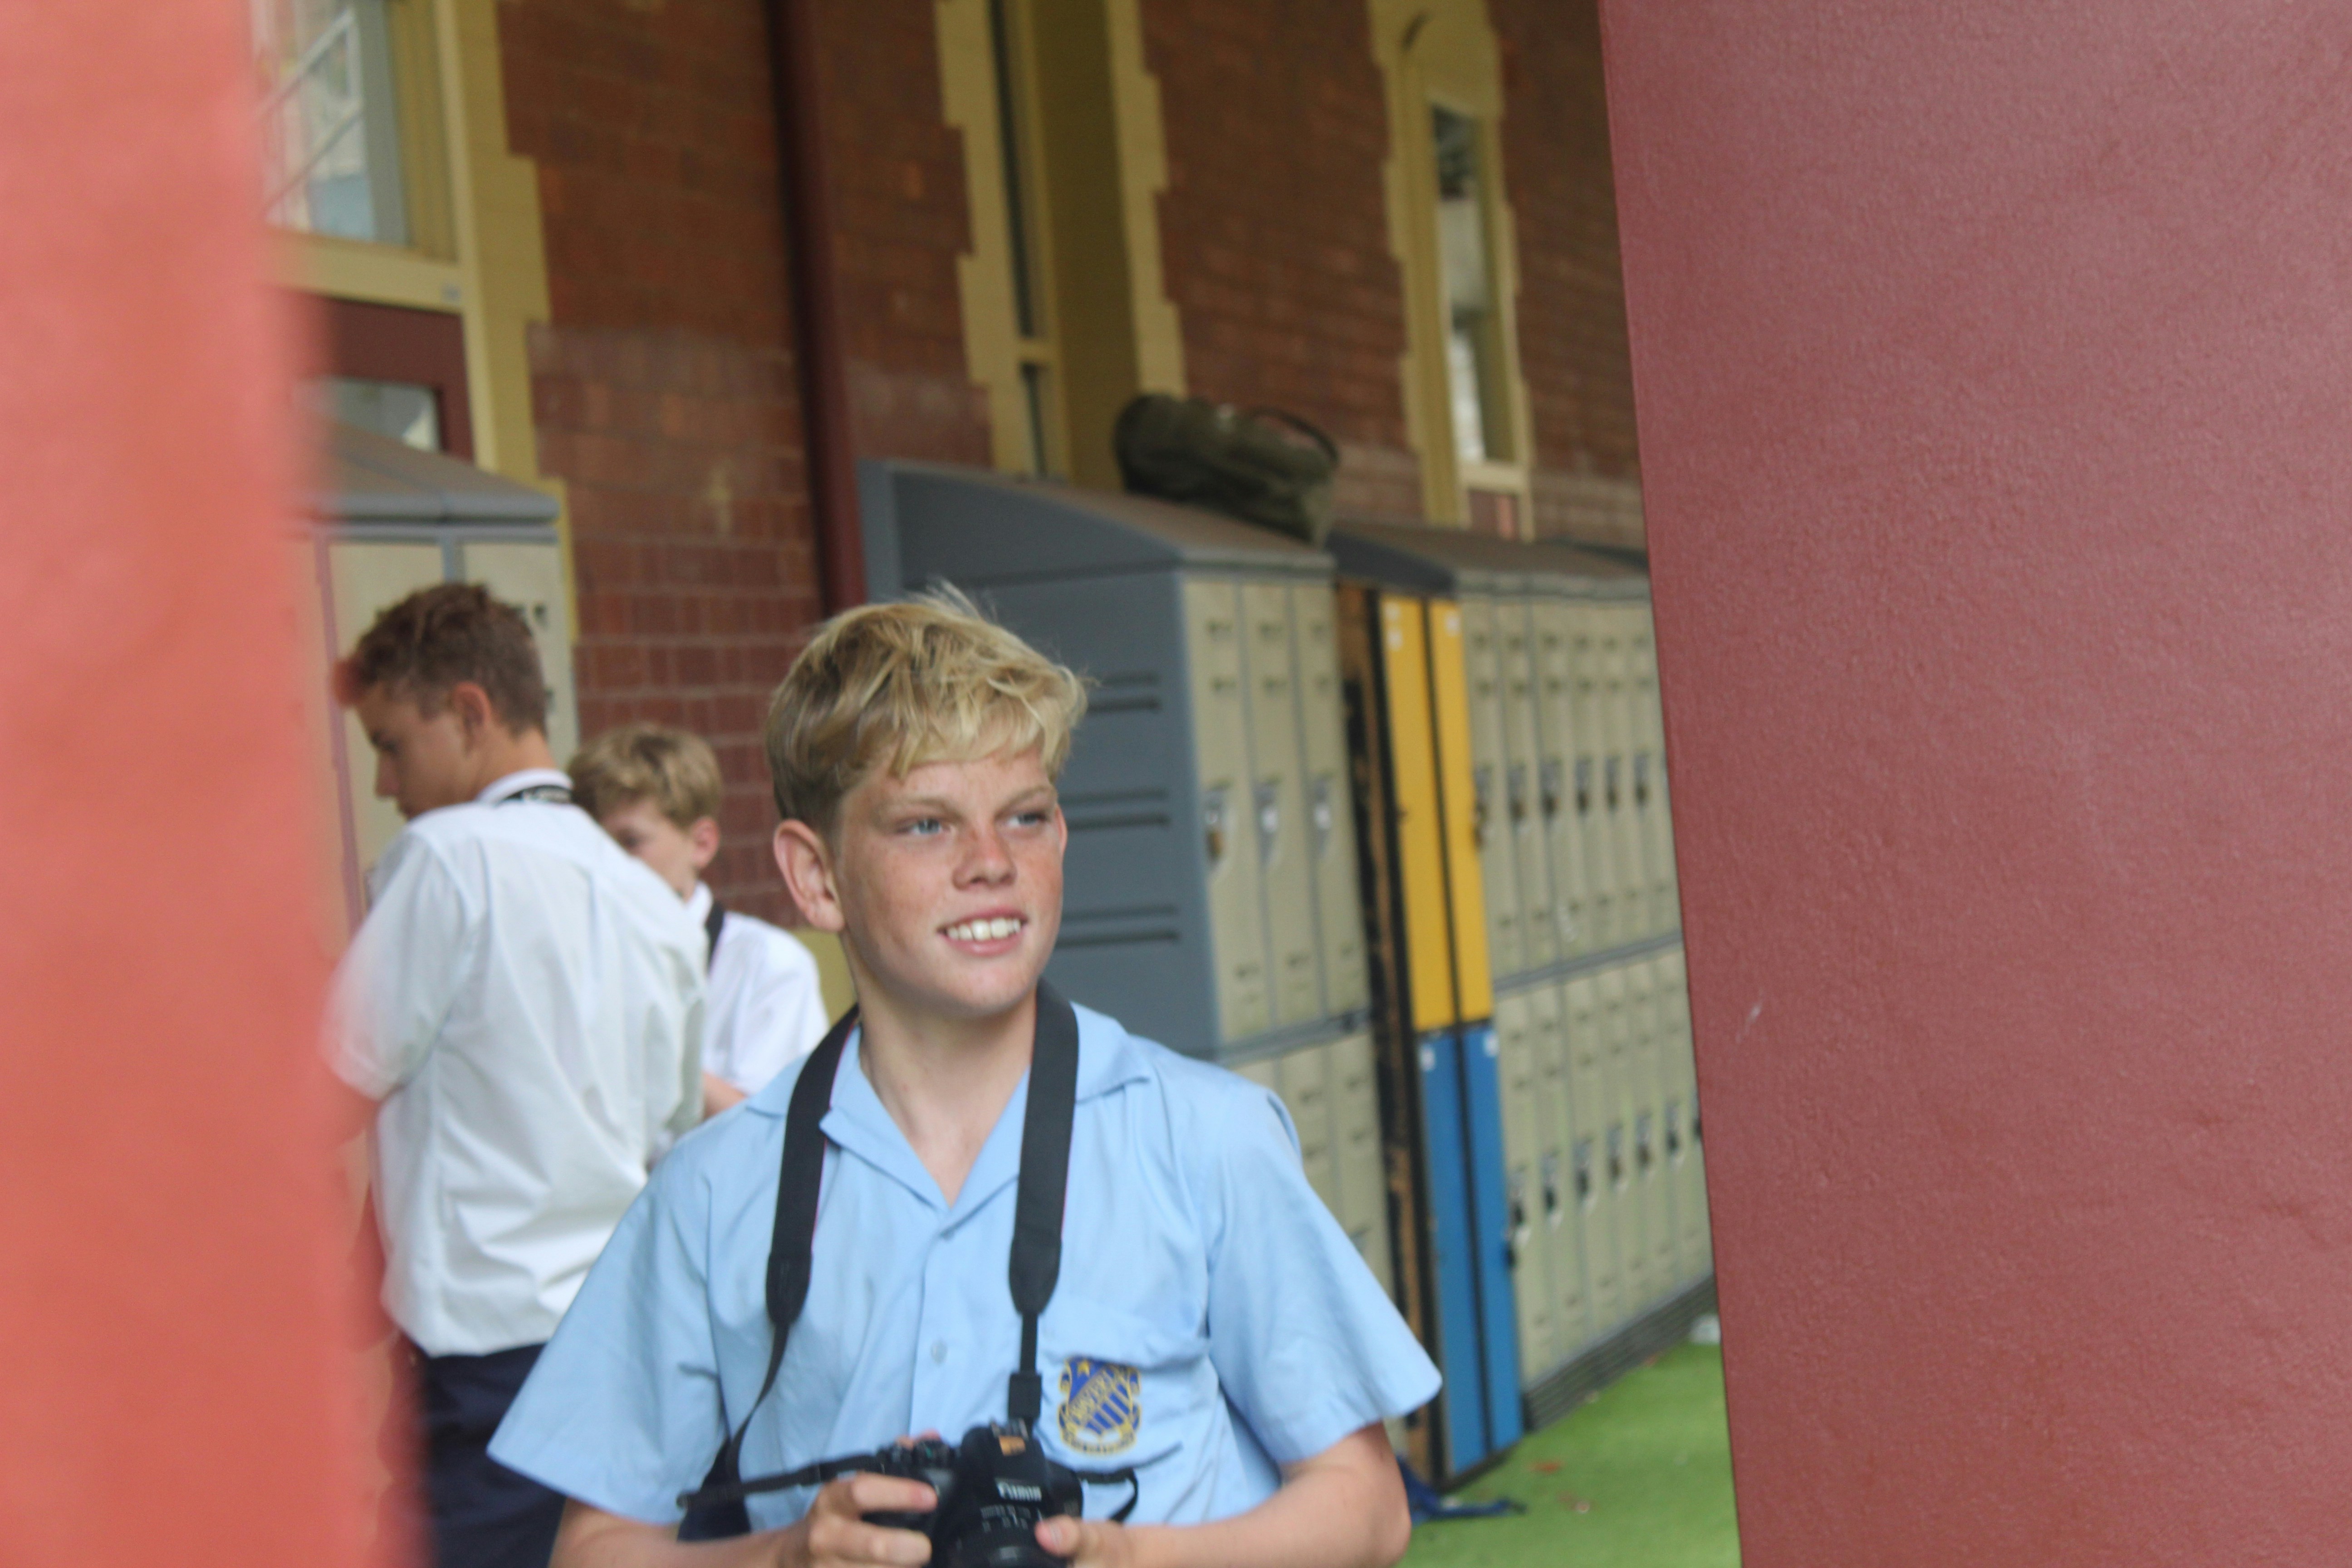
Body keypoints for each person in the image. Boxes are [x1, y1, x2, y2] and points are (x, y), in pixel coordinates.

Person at [488, 591, 1436, 1568]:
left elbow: (1367, 1506)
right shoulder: (715, 1190)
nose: (991, 863)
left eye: (1024, 817)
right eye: (925, 826)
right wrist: (784, 1557)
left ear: (1062, 838)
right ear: (815, 878)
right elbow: (596, 1549)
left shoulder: (1208, 1139)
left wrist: (1137, 1558)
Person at [327, 582, 707, 1568]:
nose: (382, 784)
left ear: (468, 712)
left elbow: (330, 1085)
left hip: (488, 1364)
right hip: (624, 1346)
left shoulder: (446, 860)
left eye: (390, 744)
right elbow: (670, 1122)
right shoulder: (651, 900)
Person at [569, 722, 832, 1117]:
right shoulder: (577, 952)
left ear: (702, 843)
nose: (608, 866)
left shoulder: (770, 964)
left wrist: (644, 1043)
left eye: (630, 842)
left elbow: (771, 1128)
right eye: (595, 844)